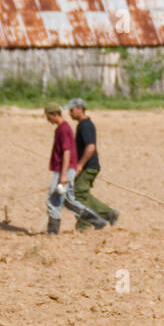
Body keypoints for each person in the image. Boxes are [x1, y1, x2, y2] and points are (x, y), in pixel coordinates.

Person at [44, 102, 107, 233]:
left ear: (54, 114)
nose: (47, 119)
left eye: (47, 116)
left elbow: (67, 151)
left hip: (64, 170)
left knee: (53, 200)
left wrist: (63, 175)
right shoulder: (61, 128)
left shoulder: (64, 129)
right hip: (65, 170)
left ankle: (52, 232)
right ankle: (97, 221)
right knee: (69, 201)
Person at [65, 98, 120, 230]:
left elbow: (90, 147)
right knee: (81, 194)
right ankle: (108, 214)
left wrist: (80, 165)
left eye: (71, 110)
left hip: (88, 166)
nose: (70, 113)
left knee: (77, 195)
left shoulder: (85, 126)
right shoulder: (83, 124)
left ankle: (85, 224)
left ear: (79, 108)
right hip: (88, 166)